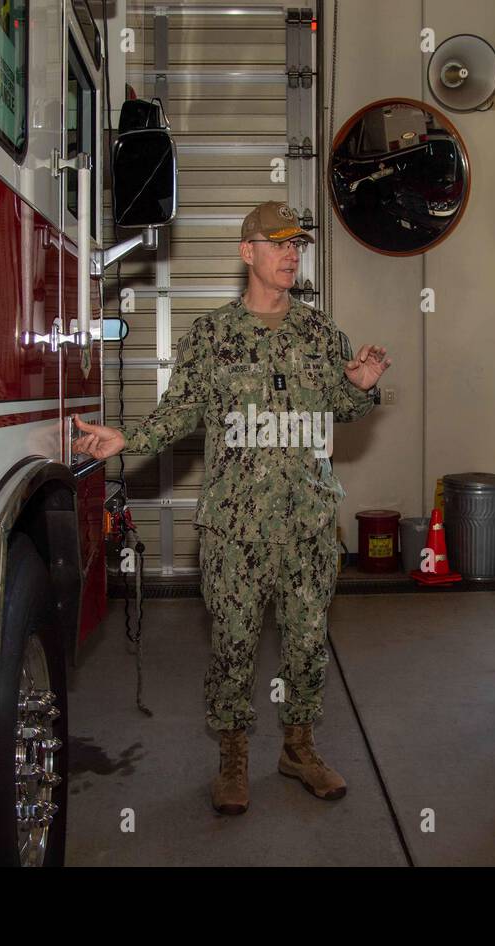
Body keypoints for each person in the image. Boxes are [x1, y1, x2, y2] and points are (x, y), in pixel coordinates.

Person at [70, 201, 390, 815]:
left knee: (306, 642)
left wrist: (360, 387)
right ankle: (233, 755)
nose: (292, 253)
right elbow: (180, 413)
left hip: (309, 521)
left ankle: (299, 747)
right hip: (235, 526)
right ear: (249, 253)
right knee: (234, 643)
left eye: (298, 243)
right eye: (279, 243)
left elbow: (342, 413)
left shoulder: (321, 333)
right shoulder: (212, 335)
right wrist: (126, 438)